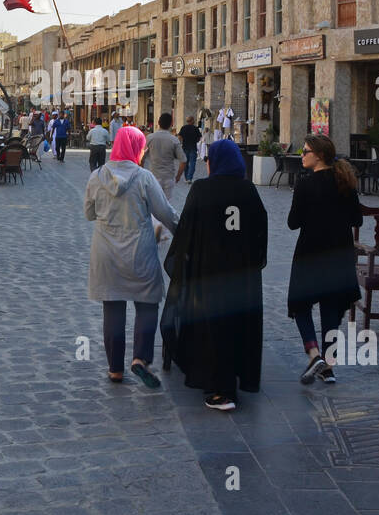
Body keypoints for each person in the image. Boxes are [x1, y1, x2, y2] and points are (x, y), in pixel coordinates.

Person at [163, 139, 266, 411]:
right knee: (236, 324)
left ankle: (220, 389)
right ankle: (234, 376)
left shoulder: (202, 189)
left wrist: (181, 260)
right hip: (241, 273)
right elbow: (260, 230)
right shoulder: (248, 190)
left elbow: (186, 229)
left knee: (212, 326)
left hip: (208, 271)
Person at [85, 125, 179, 388]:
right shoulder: (144, 178)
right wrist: (185, 231)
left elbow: (89, 214)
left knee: (113, 306)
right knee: (147, 304)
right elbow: (165, 213)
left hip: (106, 252)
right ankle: (140, 358)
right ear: (137, 149)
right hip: (140, 251)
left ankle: (115, 368)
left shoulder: (96, 177)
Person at [287, 133, 363, 384]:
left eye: (305, 151)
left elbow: (292, 223)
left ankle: (314, 354)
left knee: (301, 305)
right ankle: (328, 367)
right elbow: (357, 219)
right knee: (332, 308)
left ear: (318, 155)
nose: (302, 155)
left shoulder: (305, 184)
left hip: (311, 252)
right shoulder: (345, 181)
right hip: (339, 253)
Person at [144, 112, 186, 200]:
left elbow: (141, 159)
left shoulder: (150, 138)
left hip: (154, 176)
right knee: (167, 204)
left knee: (154, 204)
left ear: (158, 122)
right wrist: (178, 176)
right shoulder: (174, 140)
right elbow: (183, 160)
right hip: (168, 177)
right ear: (171, 124)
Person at [177, 116, 202, 182]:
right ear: (192, 120)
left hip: (185, 147)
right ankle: (189, 178)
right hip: (193, 148)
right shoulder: (196, 128)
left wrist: (181, 143)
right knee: (192, 163)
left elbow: (179, 137)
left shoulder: (183, 128)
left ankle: (186, 177)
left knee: (185, 163)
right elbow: (199, 138)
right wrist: (195, 141)